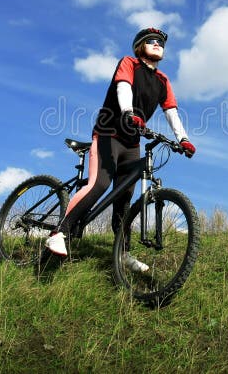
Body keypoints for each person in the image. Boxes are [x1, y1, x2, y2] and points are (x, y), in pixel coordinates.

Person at [46, 27, 195, 271]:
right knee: (100, 184)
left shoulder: (163, 81)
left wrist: (183, 139)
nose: (158, 44)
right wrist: (128, 113)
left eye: (161, 42)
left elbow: (171, 111)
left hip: (131, 143)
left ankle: (123, 254)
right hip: (108, 134)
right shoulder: (129, 63)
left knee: (124, 199)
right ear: (140, 46)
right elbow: (123, 86)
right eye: (152, 41)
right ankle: (58, 232)